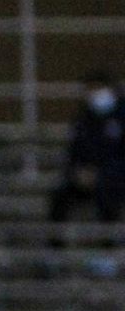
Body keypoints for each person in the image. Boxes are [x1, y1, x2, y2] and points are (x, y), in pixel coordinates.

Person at [48, 72, 125, 224]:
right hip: (85, 176)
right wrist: (78, 172)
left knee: (107, 191)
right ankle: (55, 243)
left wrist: (102, 173)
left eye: (98, 89)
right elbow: (74, 152)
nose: (94, 94)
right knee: (60, 194)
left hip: (114, 177)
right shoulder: (83, 120)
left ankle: (107, 240)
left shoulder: (122, 117)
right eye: (90, 90)